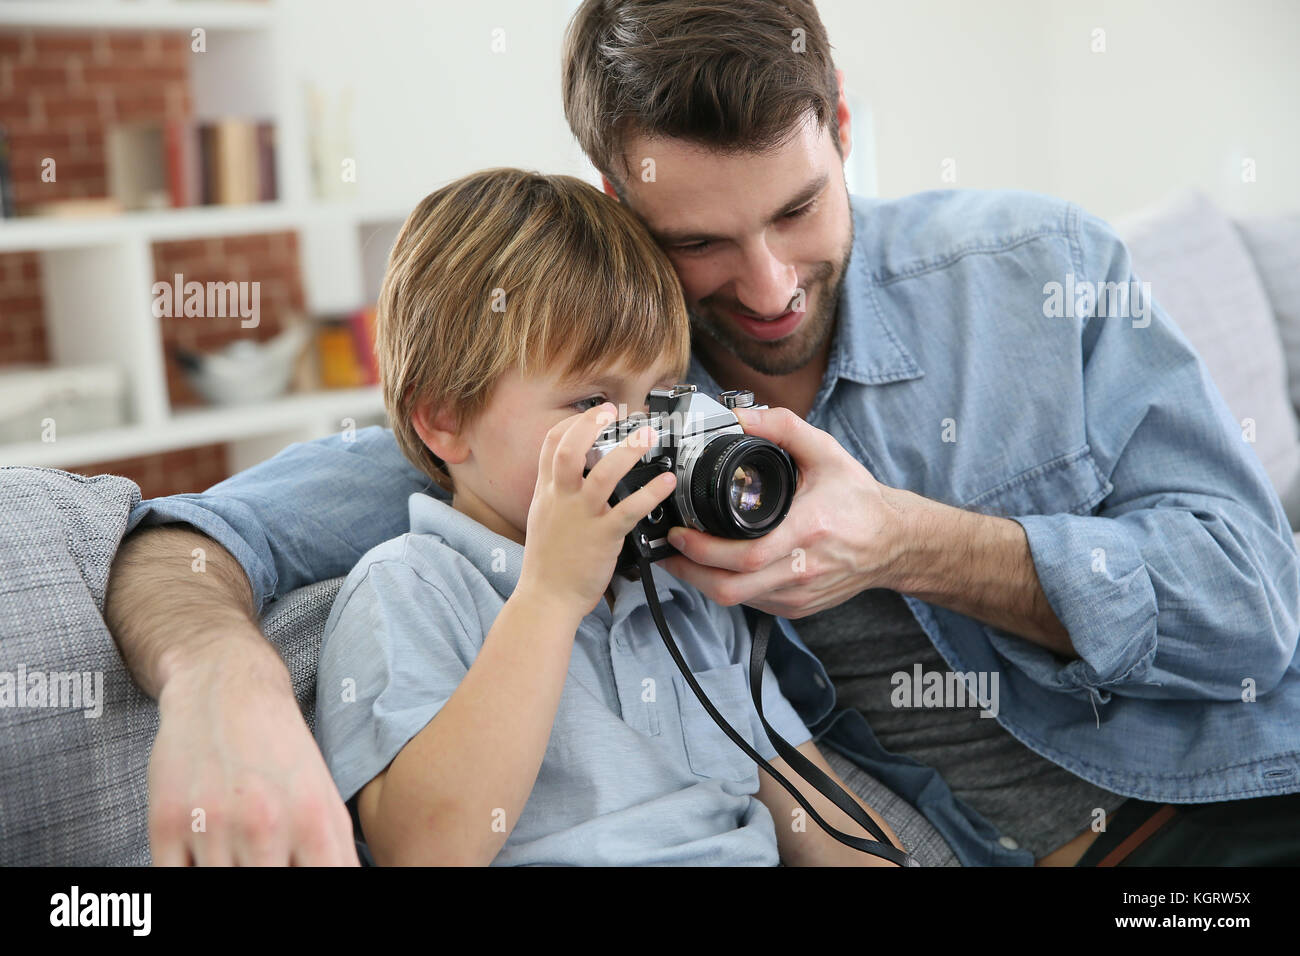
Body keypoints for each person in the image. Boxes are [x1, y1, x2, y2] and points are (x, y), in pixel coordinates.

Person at [104, 0, 1300, 867]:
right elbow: (199, 538)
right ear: (625, 207)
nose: (770, 285)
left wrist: (903, 540)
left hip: (1231, 788)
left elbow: (1255, 605)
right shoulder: (573, 409)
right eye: (700, 244)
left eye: (797, 208)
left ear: (838, 128)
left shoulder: (1035, 269)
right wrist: (221, 677)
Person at [313, 167, 902, 866]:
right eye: (590, 401)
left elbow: (822, 820)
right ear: (445, 417)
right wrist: (551, 598)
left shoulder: (687, 589)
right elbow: (424, 849)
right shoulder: (413, 589)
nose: (642, 438)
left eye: (662, 397)